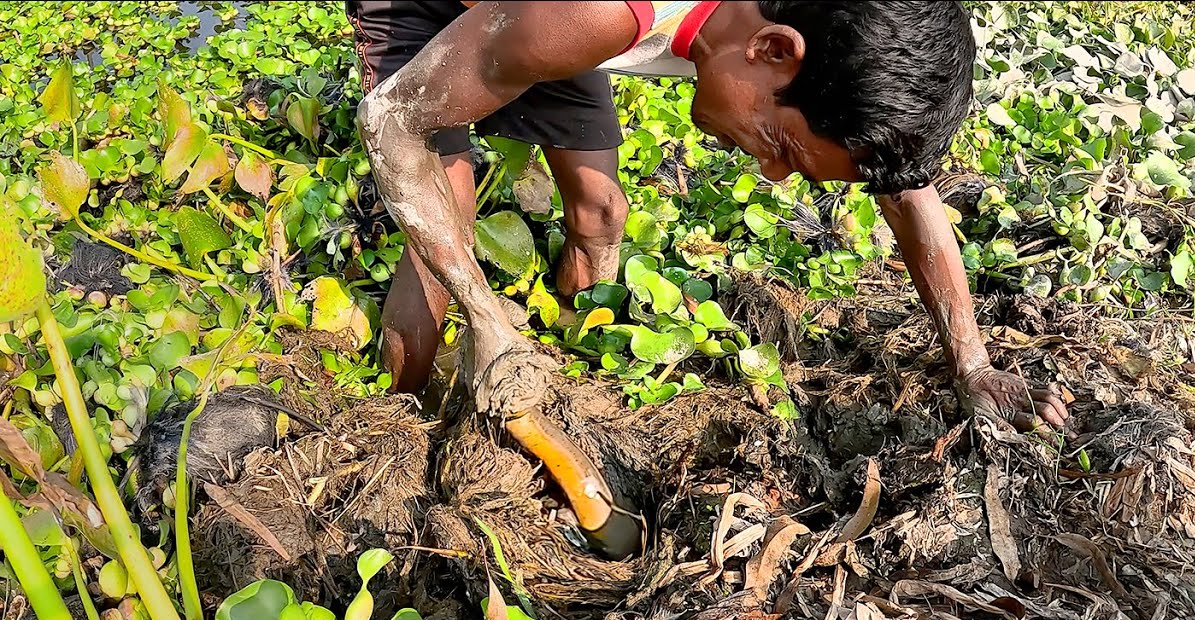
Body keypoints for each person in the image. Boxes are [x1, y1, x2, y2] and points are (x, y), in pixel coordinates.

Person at [348, 0, 1071, 433]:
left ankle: (567, 344)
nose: (768, 171)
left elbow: (912, 197)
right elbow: (389, 124)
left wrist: (971, 364)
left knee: (600, 214)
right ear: (771, 49)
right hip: (449, 10)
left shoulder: (825, 34)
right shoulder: (589, 13)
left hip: (538, 24)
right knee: (446, 216)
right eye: (782, 144)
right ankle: (394, 421)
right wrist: (487, 316)